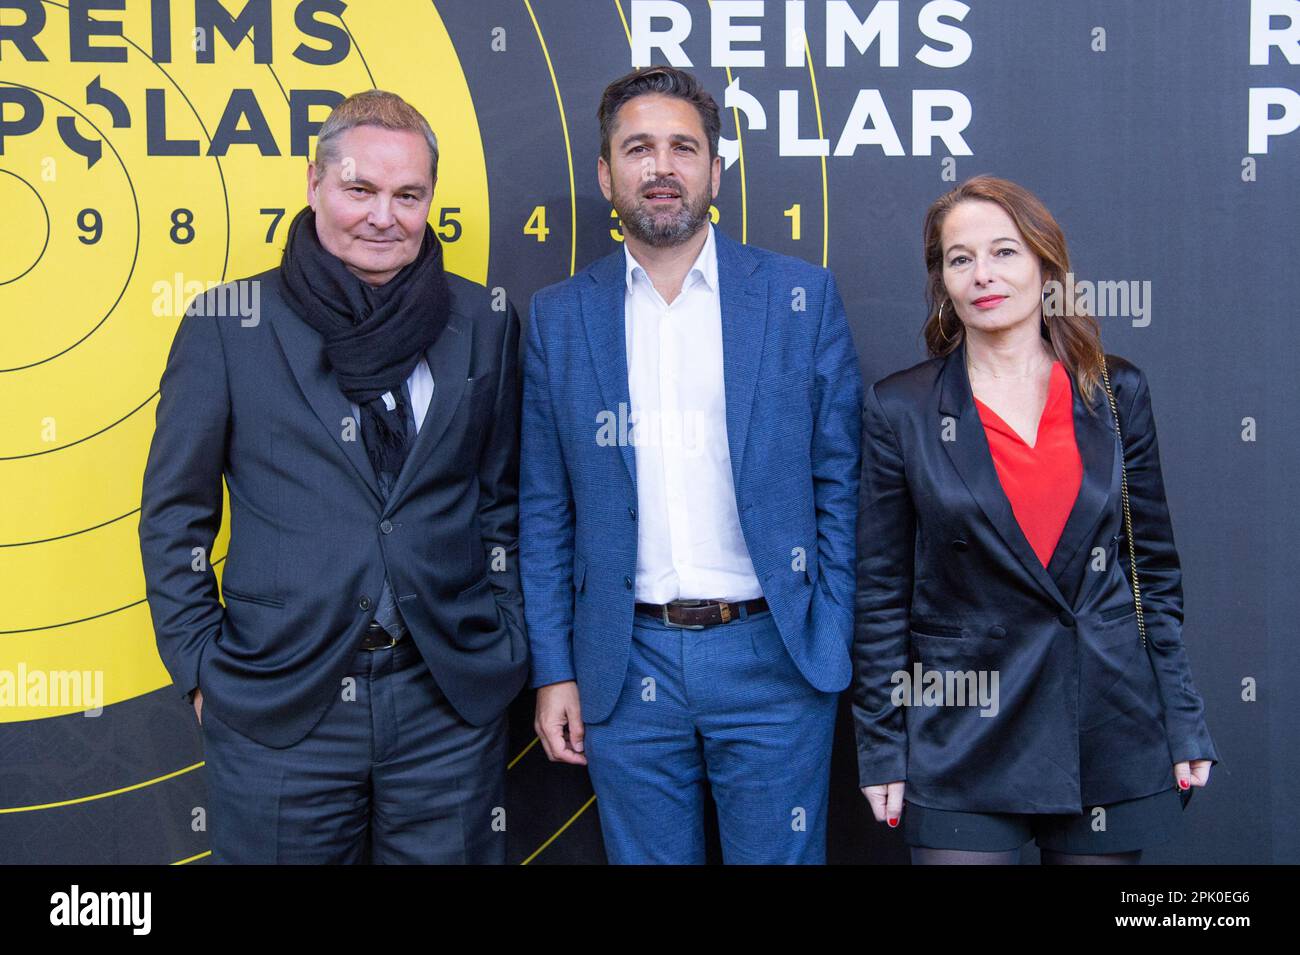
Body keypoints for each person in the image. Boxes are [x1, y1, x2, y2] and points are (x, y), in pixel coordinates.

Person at [138, 90, 526, 863]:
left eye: (407, 195)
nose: (385, 216)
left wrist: (505, 637)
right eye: (361, 189)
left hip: (446, 700)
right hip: (279, 702)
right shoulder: (228, 322)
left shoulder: (482, 321)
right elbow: (175, 513)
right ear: (314, 182)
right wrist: (202, 669)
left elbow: (501, 500)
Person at [520, 66, 862, 864]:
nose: (661, 166)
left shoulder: (798, 299)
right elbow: (543, 509)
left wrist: (827, 626)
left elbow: (842, 483)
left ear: (715, 167)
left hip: (775, 658)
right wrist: (554, 670)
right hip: (621, 662)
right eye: (637, 148)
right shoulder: (559, 318)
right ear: (606, 175)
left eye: (683, 146)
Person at [852, 175, 1217, 864]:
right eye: (960, 259)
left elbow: (1152, 577)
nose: (983, 274)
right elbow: (879, 594)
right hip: (961, 734)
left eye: (1005, 252)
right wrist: (881, 745)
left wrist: (1184, 718)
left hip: (1107, 721)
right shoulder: (900, 407)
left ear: (1046, 265)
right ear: (943, 283)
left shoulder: (1116, 393)